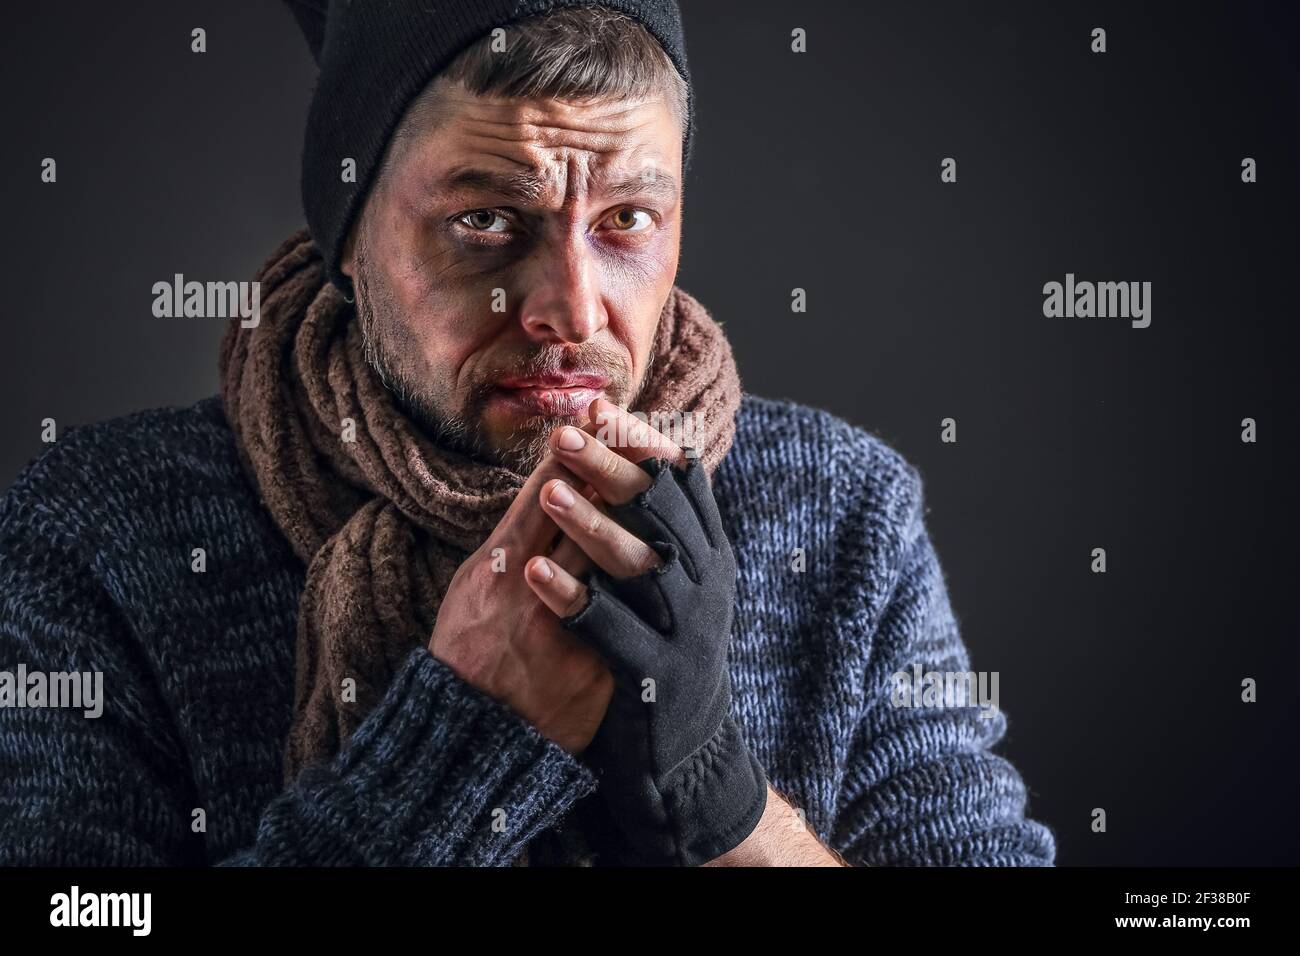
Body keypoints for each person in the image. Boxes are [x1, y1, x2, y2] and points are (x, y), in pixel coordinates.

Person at [0, 1, 1055, 867]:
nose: (573, 310)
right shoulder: (101, 534)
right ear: (349, 236)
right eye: (486, 221)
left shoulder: (843, 508)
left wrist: (718, 799)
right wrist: (457, 736)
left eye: (626, 221)